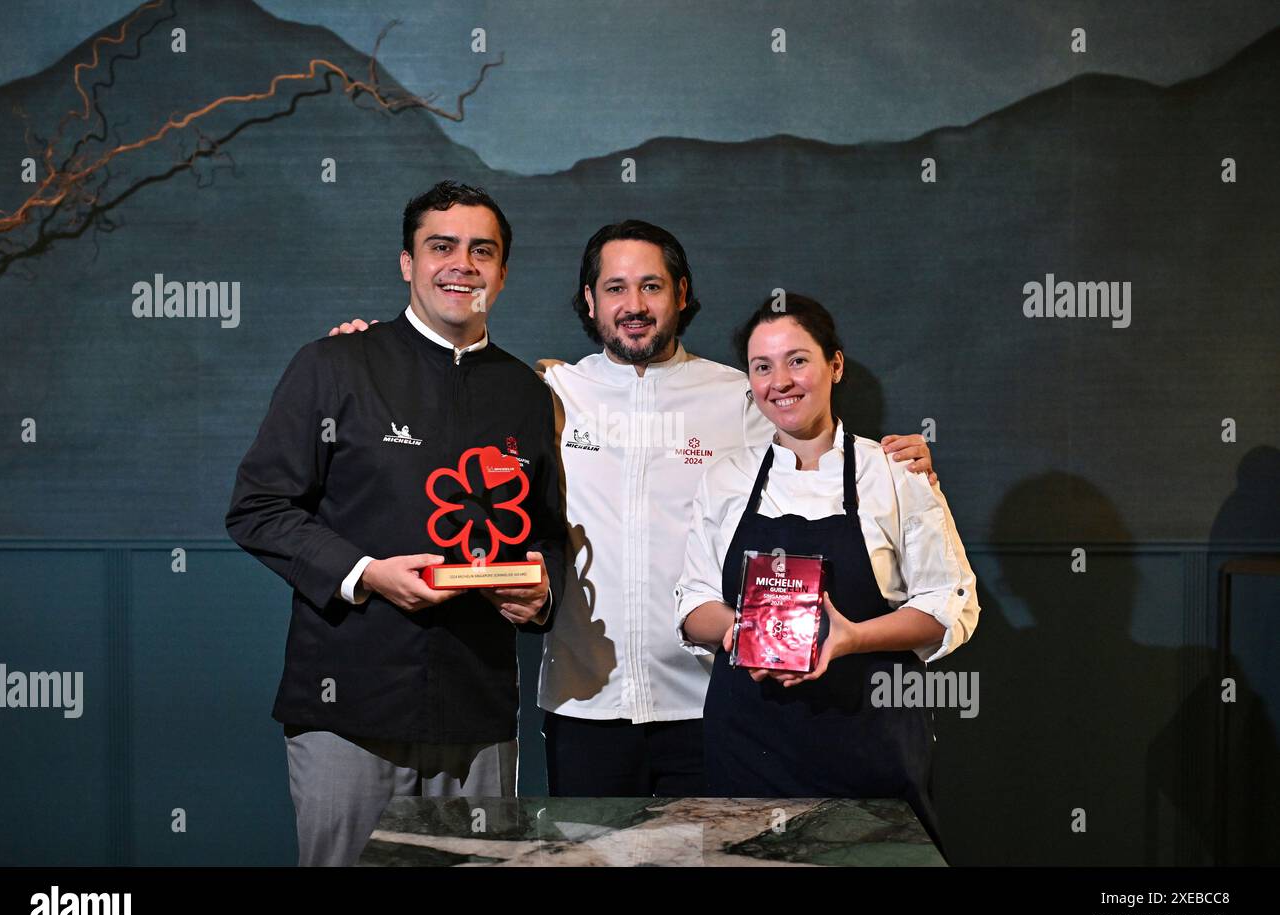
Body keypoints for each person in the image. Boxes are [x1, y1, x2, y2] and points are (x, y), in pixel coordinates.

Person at [330, 223, 936, 797]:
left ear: (681, 294)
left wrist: (898, 463)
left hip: (710, 701)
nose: (634, 305)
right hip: (583, 700)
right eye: (616, 288)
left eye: (652, 286)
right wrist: (375, 353)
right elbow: (444, 398)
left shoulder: (741, 396)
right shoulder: (548, 391)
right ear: (590, 301)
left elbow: (817, 453)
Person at [226, 181, 566, 866]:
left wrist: (542, 593)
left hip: (478, 711)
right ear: (407, 263)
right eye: (441, 247)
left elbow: (547, 531)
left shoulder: (526, 393)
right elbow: (258, 508)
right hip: (348, 705)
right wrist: (366, 574)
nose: (462, 265)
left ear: (503, 273)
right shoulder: (335, 364)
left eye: (482, 251)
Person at [676, 293, 978, 849]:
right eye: (762, 367)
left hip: (869, 744)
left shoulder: (896, 472)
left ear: (834, 365)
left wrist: (852, 637)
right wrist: (747, 632)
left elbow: (948, 607)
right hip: (748, 747)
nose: (780, 382)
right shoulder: (725, 479)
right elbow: (692, 601)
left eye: (797, 360)